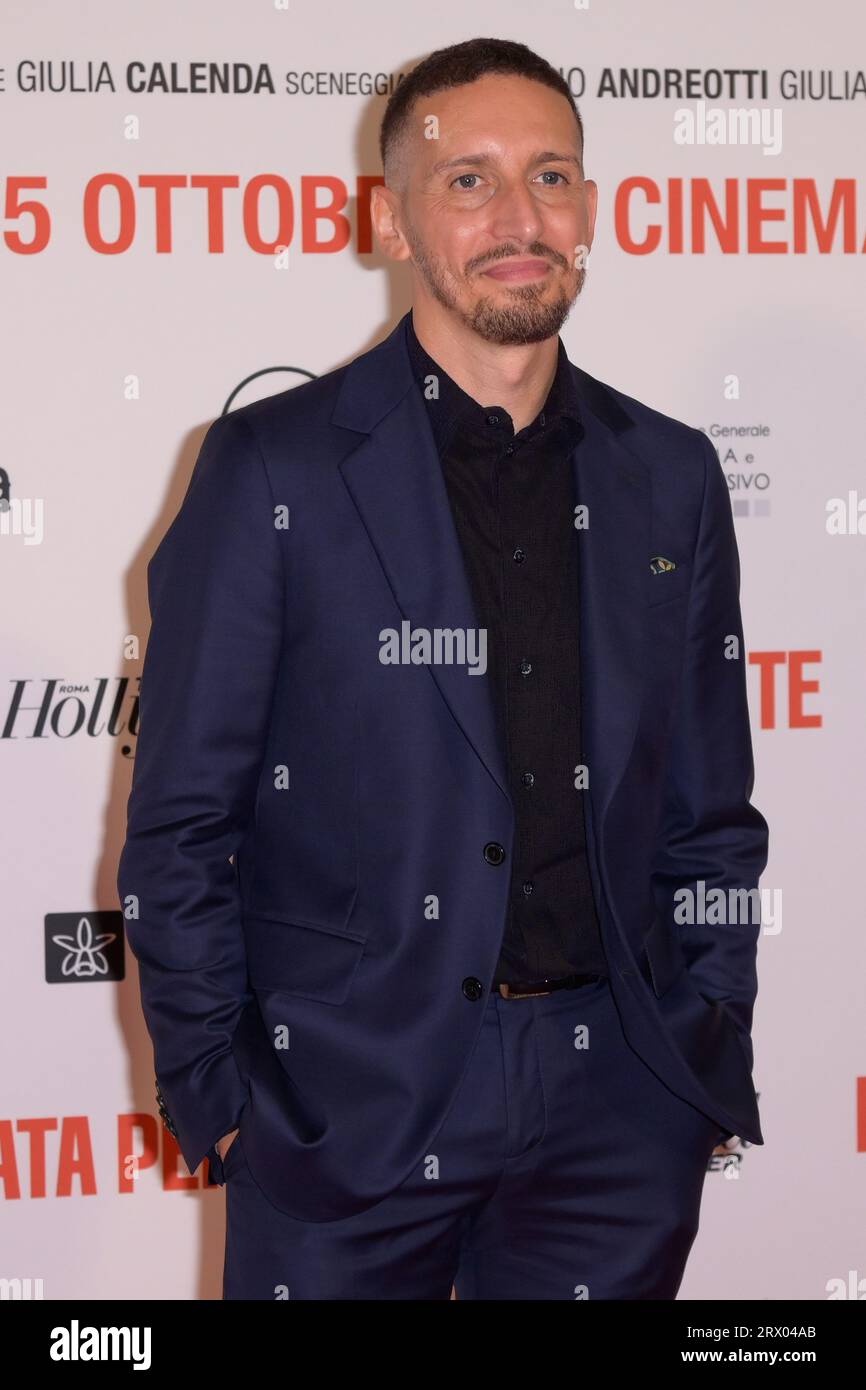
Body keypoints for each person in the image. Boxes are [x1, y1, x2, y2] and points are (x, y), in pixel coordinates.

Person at [117, 36, 769, 1300]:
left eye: (551, 176)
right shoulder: (272, 470)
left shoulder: (671, 475)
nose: (519, 217)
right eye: (465, 179)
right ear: (390, 219)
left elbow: (709, 814)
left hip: (615, 1111)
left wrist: (703, 1042)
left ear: (590, 206)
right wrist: (224, 1097)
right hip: (344, 1111)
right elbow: (183, 823)